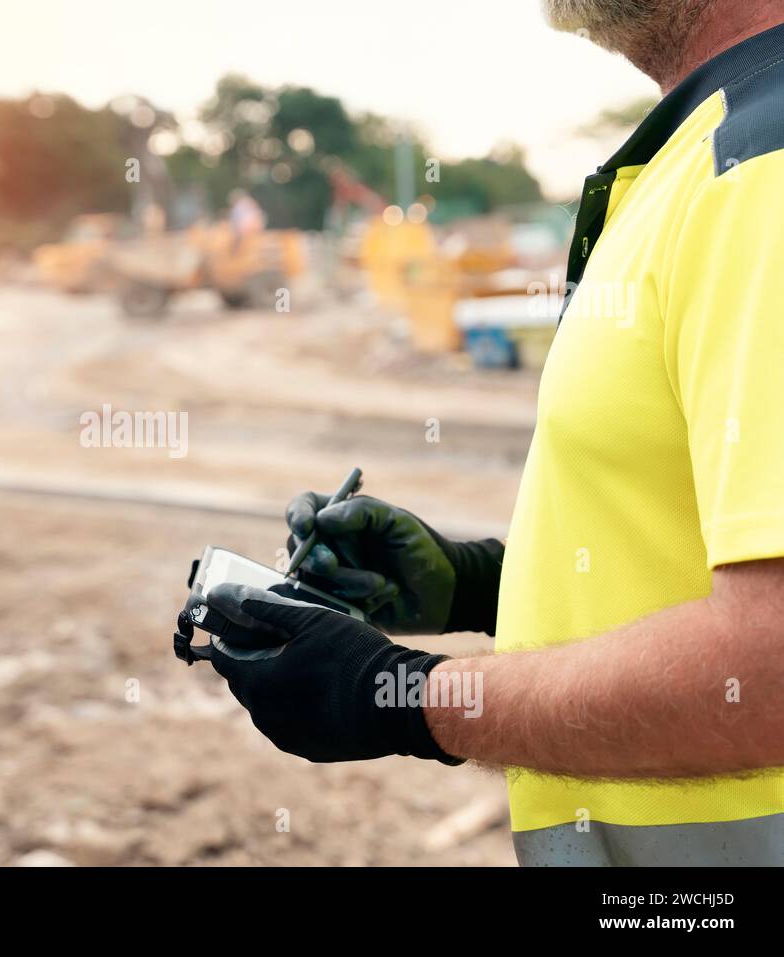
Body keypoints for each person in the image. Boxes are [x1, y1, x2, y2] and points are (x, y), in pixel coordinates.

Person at [207, 0, 784, 865]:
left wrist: (401, 695)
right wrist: (478, 586)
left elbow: (769, 668)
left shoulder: (762, 167)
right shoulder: (709, 148)